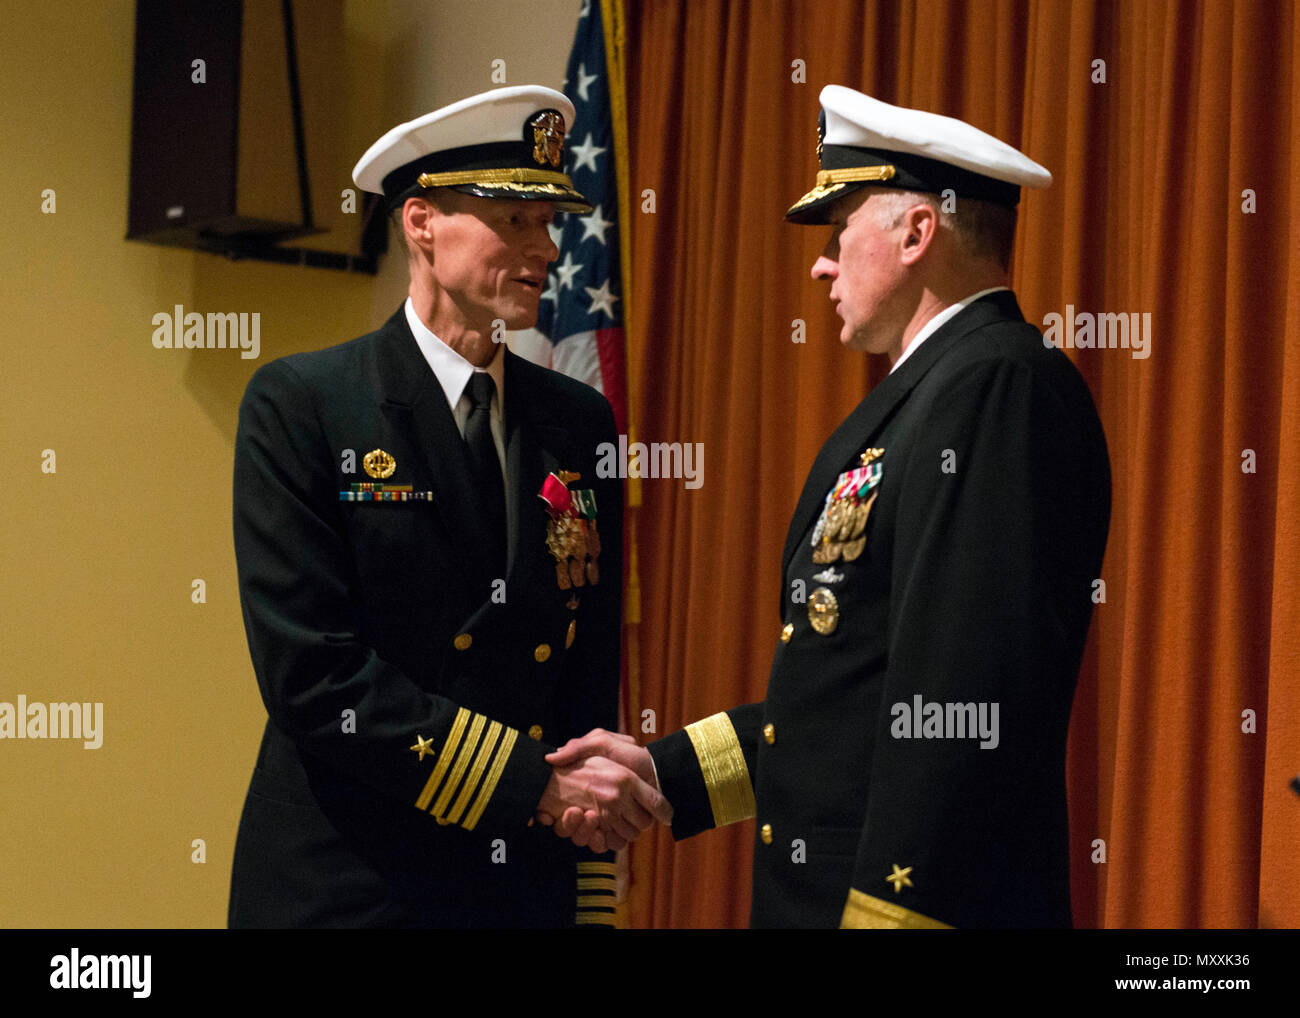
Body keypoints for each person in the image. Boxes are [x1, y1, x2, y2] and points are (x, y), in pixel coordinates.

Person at [546, 85, 1112, 929]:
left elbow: (961, 699)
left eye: (840, 227)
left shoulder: (996, 389)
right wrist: (665, 772)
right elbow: (847, 702)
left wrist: (890, 918)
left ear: (918, 232)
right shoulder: (937, 391)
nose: (821, 262)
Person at [228, 85, 669, 929]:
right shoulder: (305, 404)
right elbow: (314, 678)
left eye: (550, 223)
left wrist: (583, 886)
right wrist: (532, 784)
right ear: (421, 222)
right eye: (515, 220)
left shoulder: (578, 422)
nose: (544, 247)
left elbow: (583, 671)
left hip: (520, 890)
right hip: (352, 884)